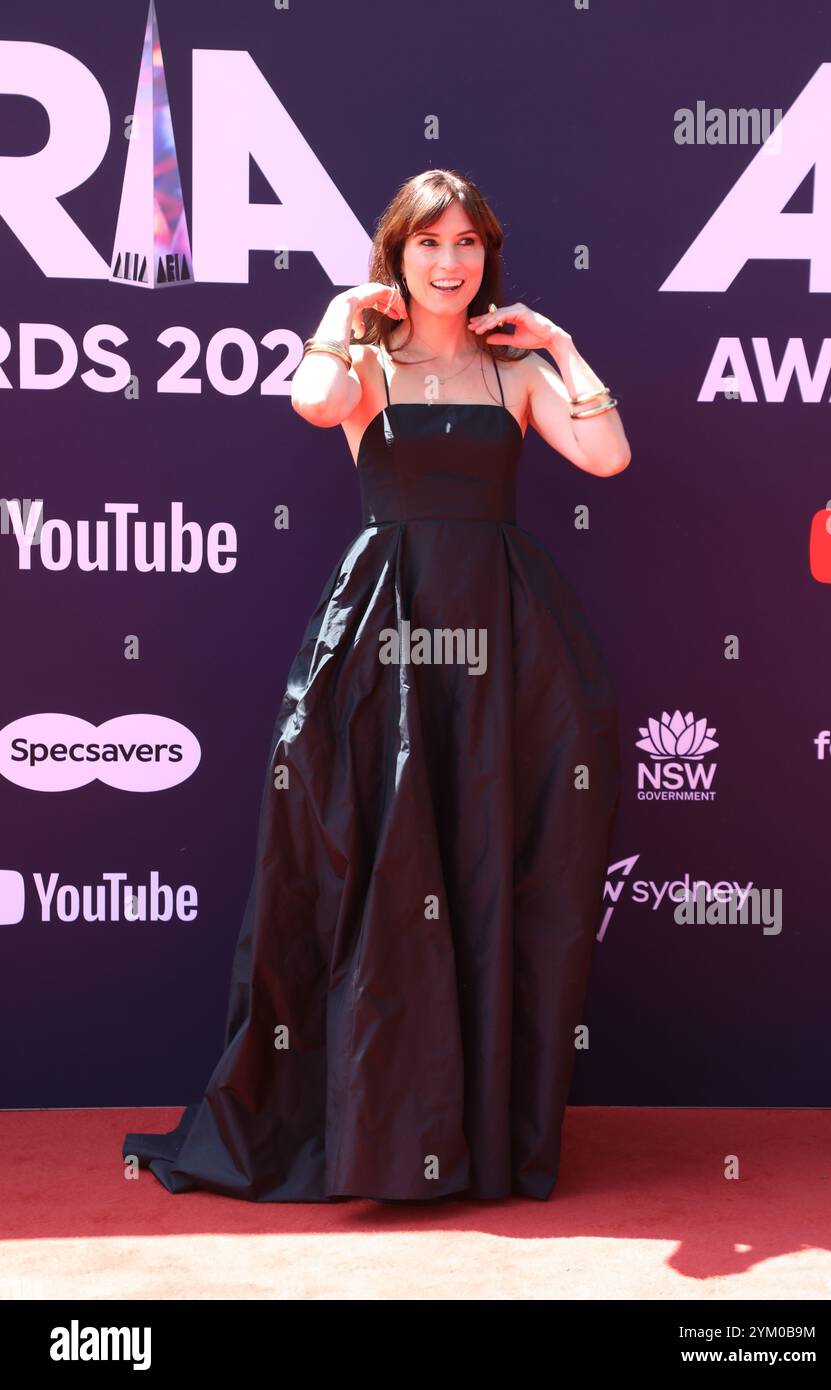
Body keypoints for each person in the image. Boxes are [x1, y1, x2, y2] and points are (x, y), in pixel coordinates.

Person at [123, 168, 628, 1204]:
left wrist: (561, 348)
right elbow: (312, 404)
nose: (450, 263)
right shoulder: (360, 365)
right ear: (395, 258)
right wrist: (333, 314)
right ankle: (376, 1132)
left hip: (499, 643)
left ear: (487, 258)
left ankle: (477, 1135)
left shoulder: (513, 375)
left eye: (467, 244)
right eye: (429, 244)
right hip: (385, 637)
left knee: (485, 863)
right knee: (379, 864)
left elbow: (607, 456)